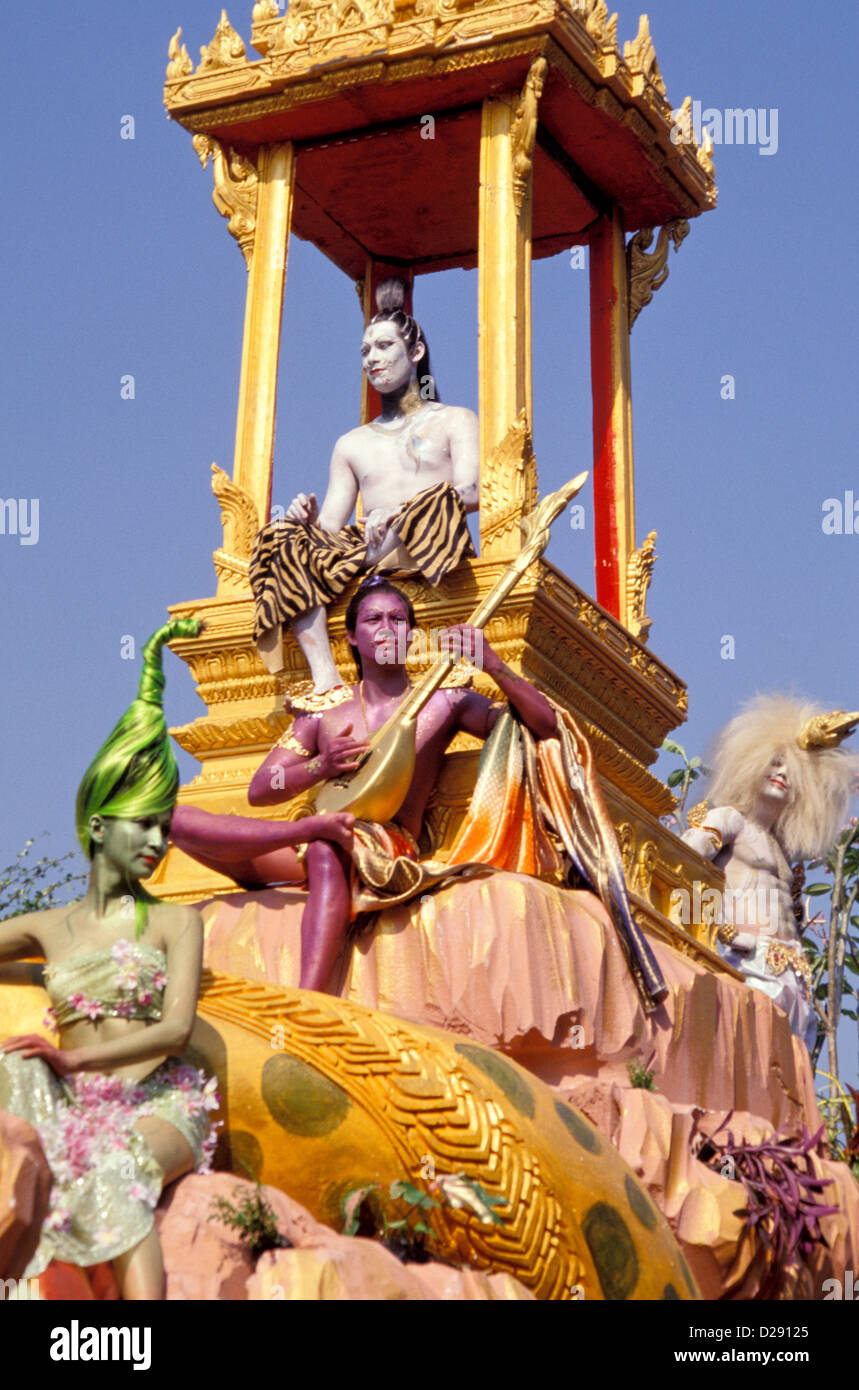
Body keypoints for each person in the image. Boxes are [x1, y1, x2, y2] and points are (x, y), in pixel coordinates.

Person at [171, 577, 667, 1010]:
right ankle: (313, 832)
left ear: (412, 633)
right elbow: (263, 789)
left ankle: (309, 1002)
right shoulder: (325, 710)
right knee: (174, 820)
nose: (386, 628)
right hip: (305, 839)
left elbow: (542, 727)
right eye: (372, 620)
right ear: (351, 636)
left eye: (397, 619)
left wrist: (494, 665)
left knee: (327, 849)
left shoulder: (444, 700)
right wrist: (318, 767)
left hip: (382, 845)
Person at [0, 620, 220, 1300]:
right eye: (143, 822)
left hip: (161, 1102)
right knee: (15, 1081)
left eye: (166, 821)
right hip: (75, 1104)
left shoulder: (176, 922)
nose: (159, 839)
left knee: (114, 1169)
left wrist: (71, 1058)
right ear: (99, 827)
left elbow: (176, 1031)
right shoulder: (46, 928)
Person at [250, 278, 479, 692]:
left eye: (385, 346)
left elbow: (472, 492)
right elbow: (330, 533)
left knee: (435, 501)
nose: (372, 359)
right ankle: (326, 677)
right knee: (280, 535)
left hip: (426, 542)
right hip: (369, 550)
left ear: (416, 352)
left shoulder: (455, 420)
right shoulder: (352, 444)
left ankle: (399, 524)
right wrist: (308, 520)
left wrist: (403, 509)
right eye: (365, 351)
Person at [682, 695, 859, 1051]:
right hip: (747, 963)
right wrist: (715, 927)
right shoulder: (729, 820)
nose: (781, 773)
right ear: (750, 762)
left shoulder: (784, 852)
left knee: (781, 1079)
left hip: (796, 977)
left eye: (793, 772)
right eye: (775, 762)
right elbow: (680, 864)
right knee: (742, 1057)